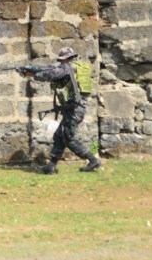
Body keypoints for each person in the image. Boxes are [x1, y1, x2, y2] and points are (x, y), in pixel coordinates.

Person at [19, 46, 100, 174]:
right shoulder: (79, 67)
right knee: (59, 136)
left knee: (68, 137)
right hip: (75, 107)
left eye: (62, 60)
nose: (61, 62)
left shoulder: (67, 68)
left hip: (74, 109)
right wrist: (34, 68)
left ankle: (92, 160)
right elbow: (53, 69)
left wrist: (32, 74)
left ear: (67, 58)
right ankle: (51, 166)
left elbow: (50, 74)